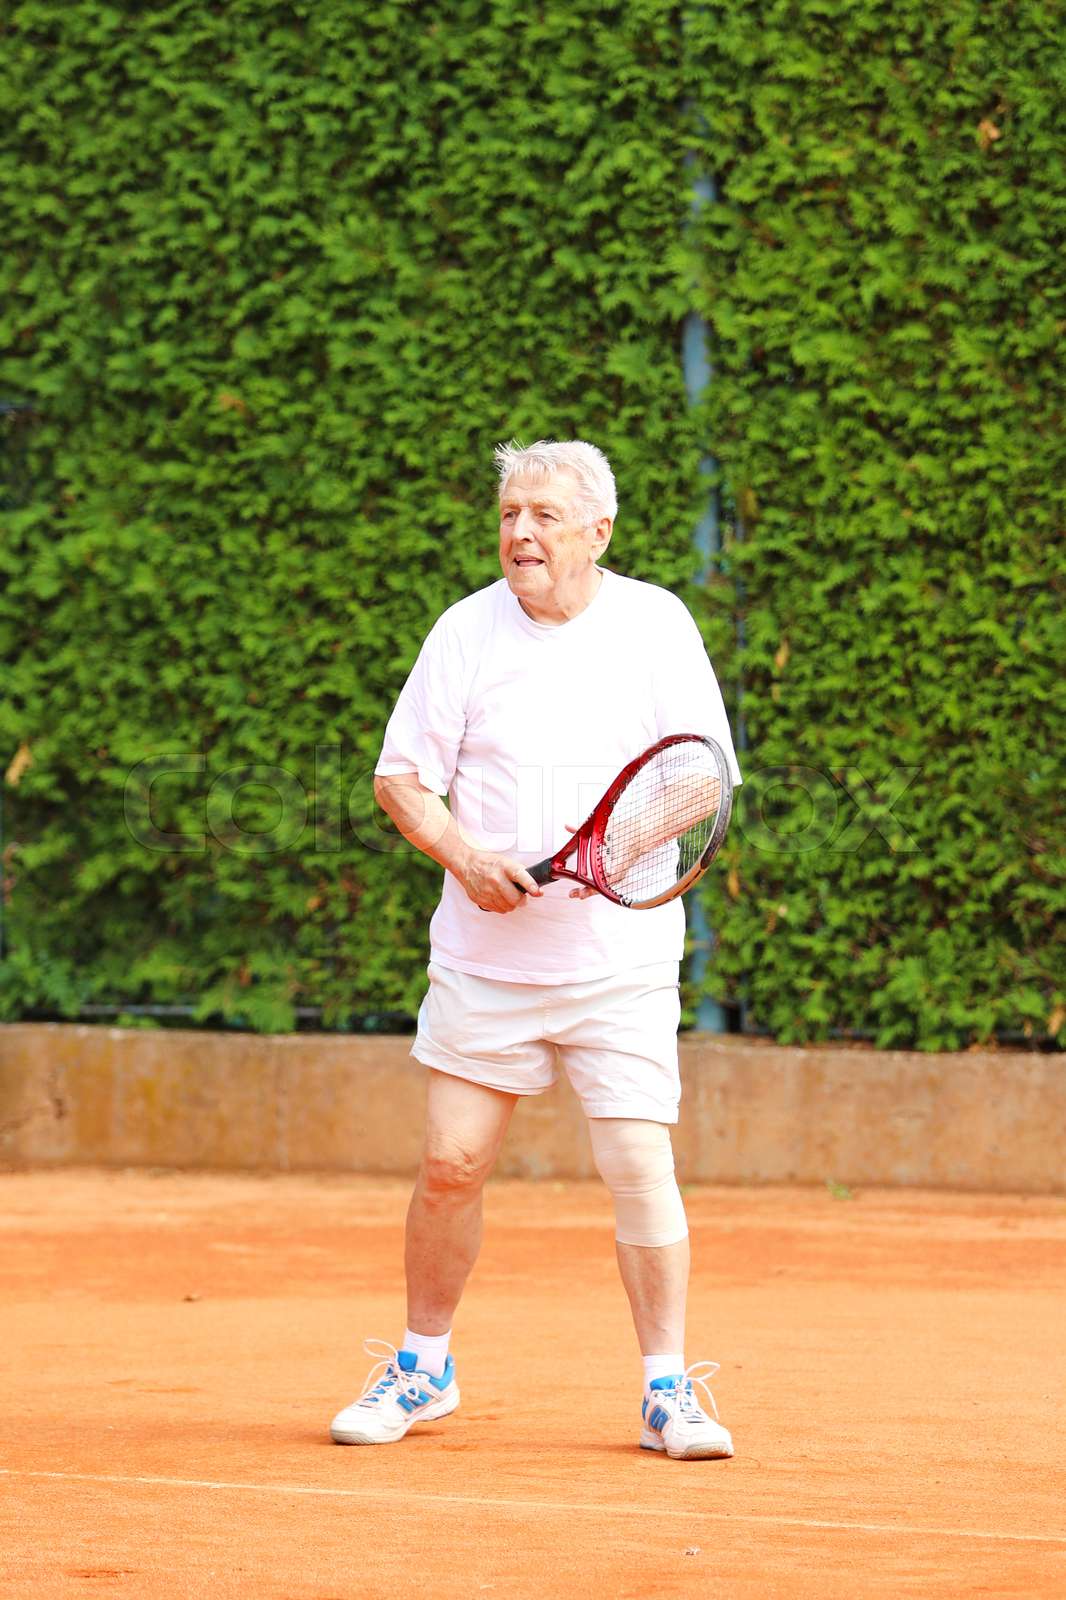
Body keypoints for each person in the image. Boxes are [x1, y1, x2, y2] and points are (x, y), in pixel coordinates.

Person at [330, 439, 743, 1460]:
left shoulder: (656, 623)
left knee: (638, 1162)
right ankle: (424, 1367)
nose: (521, 532)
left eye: (545, 515)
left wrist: (609, 852)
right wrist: (467, 858)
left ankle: (666, 1392)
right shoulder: (464, 631)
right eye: (510, 513)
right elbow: (400, 778)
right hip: (485, 961)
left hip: (620, 963)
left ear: (598, 530)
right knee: (450, 1162)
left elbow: (703, 776)